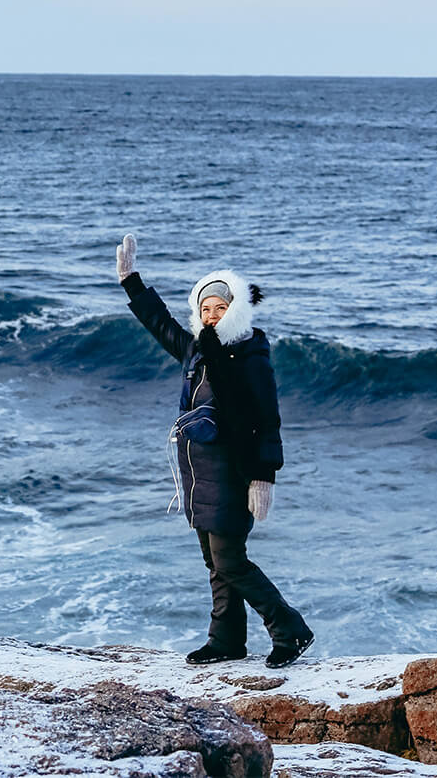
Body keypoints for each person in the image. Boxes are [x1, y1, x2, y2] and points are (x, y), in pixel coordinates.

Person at [115, 233, 314, 668]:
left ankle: (290, 630)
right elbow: (160, 323)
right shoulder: (197, 351)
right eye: (204, 309)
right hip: (199, 476)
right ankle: (225, 641)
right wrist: (132, 282)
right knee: (216, 562)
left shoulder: (248, 355)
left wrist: (264, 477)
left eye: (219, 308)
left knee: (232, 561)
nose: (210, 315)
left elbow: (266, 417)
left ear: (235, 310)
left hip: (232, 474)